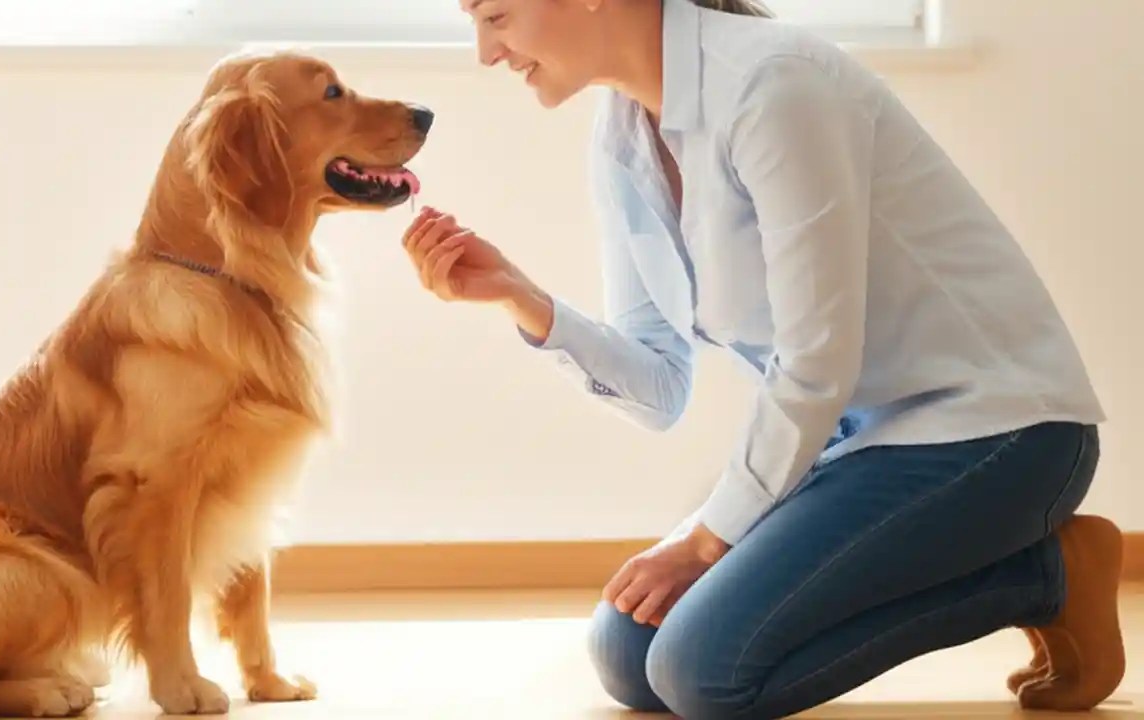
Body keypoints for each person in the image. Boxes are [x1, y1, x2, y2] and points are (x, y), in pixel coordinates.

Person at [400, 0, 1126, 717]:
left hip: (997, 435)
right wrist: (521, 298)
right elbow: (659, 388)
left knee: (703, 676)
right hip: (857, 446)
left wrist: (710, 537)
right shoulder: (624, 133)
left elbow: (817, 358)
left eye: (495, 17)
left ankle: (1048, 574)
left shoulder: (775, 84)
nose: (487, 54)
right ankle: (1027, 569)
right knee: (630, 657)